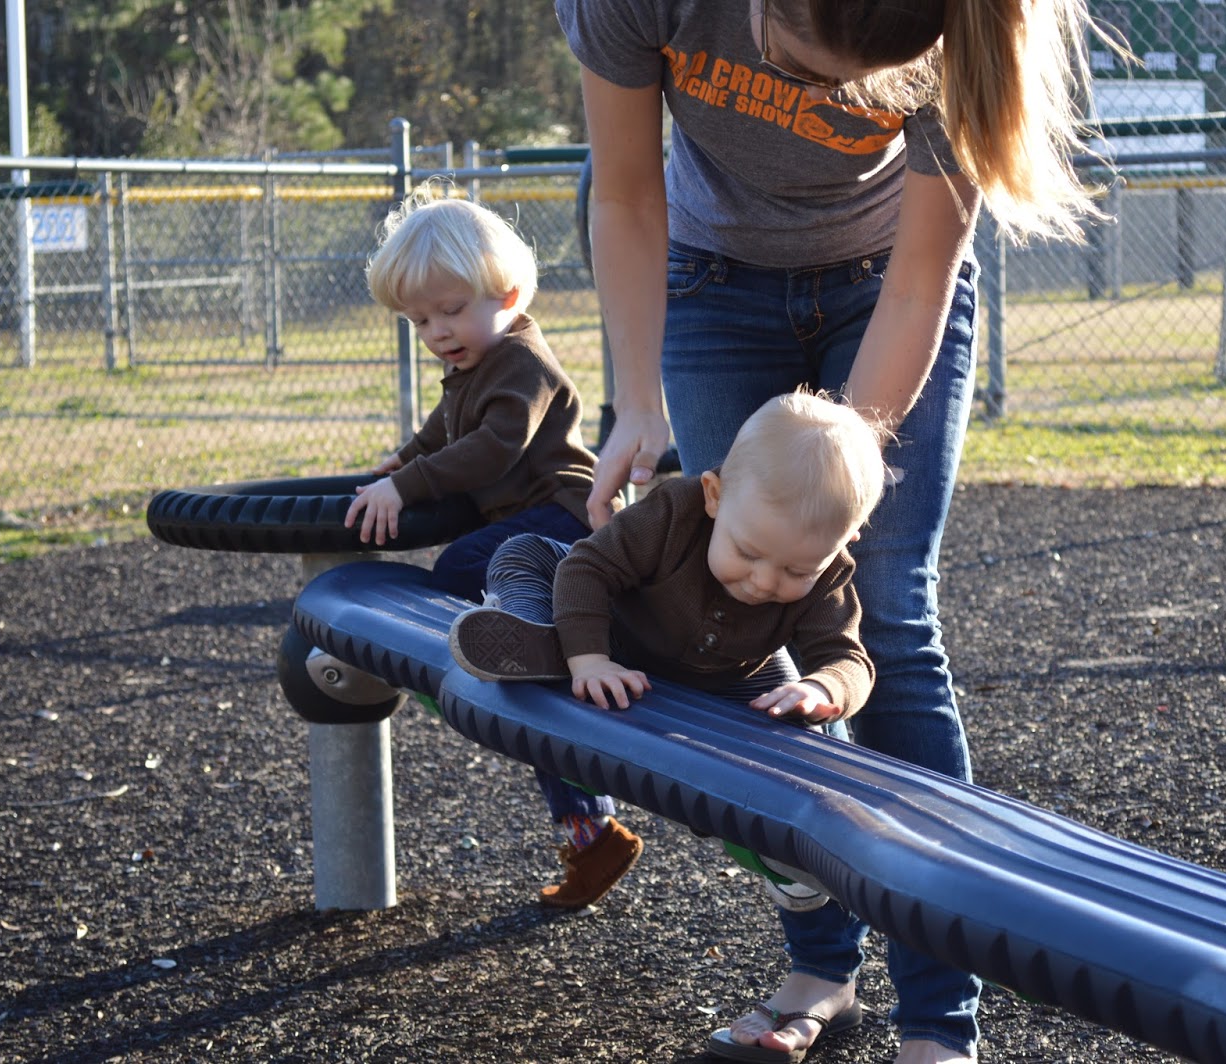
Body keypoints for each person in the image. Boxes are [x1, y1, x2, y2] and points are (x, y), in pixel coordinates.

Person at [553, 1, 1110, 1060]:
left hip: (882, 285)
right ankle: (820, 964)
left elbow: (917, 276)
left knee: (882, 625)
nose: (811, 98)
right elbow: (626, 191)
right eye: (791, 63)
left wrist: (841, 472)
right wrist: (635, 399)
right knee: (746, 611)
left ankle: (941, 1016)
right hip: (709, 281)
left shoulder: (965, 29)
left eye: (846, 85)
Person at [351, 178, 643, 909]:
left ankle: (542, 625)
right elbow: (445, 429)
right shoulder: (472, 365)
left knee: (455, 568)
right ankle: (590, 832)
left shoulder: (523, 363)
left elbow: (492, 449)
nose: (438, 333)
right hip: (528, 532)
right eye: (420, 321)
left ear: (507, 294)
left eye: (450, 310)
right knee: (533, 690)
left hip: (566, 521)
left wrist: (410, 485)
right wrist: (403, 459)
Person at [447, 390, 884, 726]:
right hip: (615, 629)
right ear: (714, 496)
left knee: (789, 703)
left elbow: (848, 659)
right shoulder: (675, 512)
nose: (764, 582)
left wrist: (822, 687)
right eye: (747, 552)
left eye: (797, 570)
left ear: (845, 541)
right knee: (525, 551)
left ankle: (778, 809)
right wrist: (591, 660)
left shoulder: (830, 573)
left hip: (729, 679)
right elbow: (588, 568)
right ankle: (540, 629)